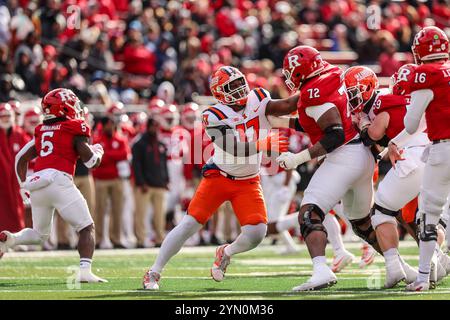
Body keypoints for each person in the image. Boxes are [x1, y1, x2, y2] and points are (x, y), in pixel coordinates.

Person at [142, 66, 289, 290]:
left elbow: (286, 107)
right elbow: (233, 147)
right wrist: (262, 145)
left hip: (248, 181)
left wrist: (311, 93)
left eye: (241, 82)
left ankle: (226, 252)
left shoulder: (259, 97)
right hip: (219, 177)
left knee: (257, 233)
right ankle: (154, 272)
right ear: (221, 92)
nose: (240, 88)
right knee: (189, 225)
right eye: (233, 86)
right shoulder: (213, 115)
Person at [266, 46, 377, 291]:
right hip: (360, 154)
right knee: (362, 223)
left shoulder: (314, 91)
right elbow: (314, 119)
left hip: (344, 154)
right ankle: (400, 265)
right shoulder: (329, 76)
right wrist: (275, 117)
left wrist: (298, 159)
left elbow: (333, 133)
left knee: (309, 213)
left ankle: (321, 269)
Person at [0, 88, 106, 282]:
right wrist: (98, 152)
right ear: (64, 108)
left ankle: (11, 240)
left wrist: (23, 185)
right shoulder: (74, 126)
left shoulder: (42, 130)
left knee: (39, 234)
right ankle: (84, 270)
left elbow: (20, 159)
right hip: (59, 180)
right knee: (86, 227)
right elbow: (91, 162)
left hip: (38, 183)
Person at [345, 65, 427, 288]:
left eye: (356, 91)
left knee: (381, 212)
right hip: (432, 155)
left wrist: (363, 123)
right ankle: (436, 266)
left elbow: (374, 135)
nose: (353, 97)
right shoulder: (419, 99)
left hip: (411, 157)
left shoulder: (384, 101)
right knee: (426, 216)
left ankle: (394, 268)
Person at [388, 26, 450, 291]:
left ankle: (424, 277)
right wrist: (395, 142)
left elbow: (414, 124)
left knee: (428, 215)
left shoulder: (425, 73)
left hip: (444, 149)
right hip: (441, 144)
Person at [92, 115, 129, 249]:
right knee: (99, 211)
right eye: (108, 124)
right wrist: (113, 155)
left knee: (117, 210)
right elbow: (99, 159)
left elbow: (124, 154)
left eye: (112, 124)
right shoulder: (97, 139)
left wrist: (108, 154)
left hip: (116, 179)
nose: (110, 127)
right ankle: (98, 239)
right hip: (101, 179)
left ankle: (116, 238)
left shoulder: (120, 138)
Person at [132, 117, 169, 248]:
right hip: (145, 186)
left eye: (156, 126)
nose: (155, 129)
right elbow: (136, 165)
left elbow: (164, 164)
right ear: (147, 127)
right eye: (153, 126)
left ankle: (159, 239)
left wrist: (166, 180)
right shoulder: (139, 143)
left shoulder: (161, 143)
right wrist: (141, 182)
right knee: (141, 214)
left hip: (159, 184)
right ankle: (141, 239)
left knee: (160, 215)